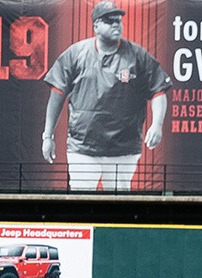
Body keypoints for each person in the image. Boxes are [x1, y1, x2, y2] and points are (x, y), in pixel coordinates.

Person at [42, 0, 169, 191]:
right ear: (96, 26)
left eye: (118, 20)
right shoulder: (75, 54)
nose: (116, 24)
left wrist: (157, 124)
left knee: (118, 207)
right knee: (81, 202)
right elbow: (57, 95)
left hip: (123, 148)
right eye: (109, 21)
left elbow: (159, 90)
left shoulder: (137, 56)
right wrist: (47, 136)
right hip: (83, 146)